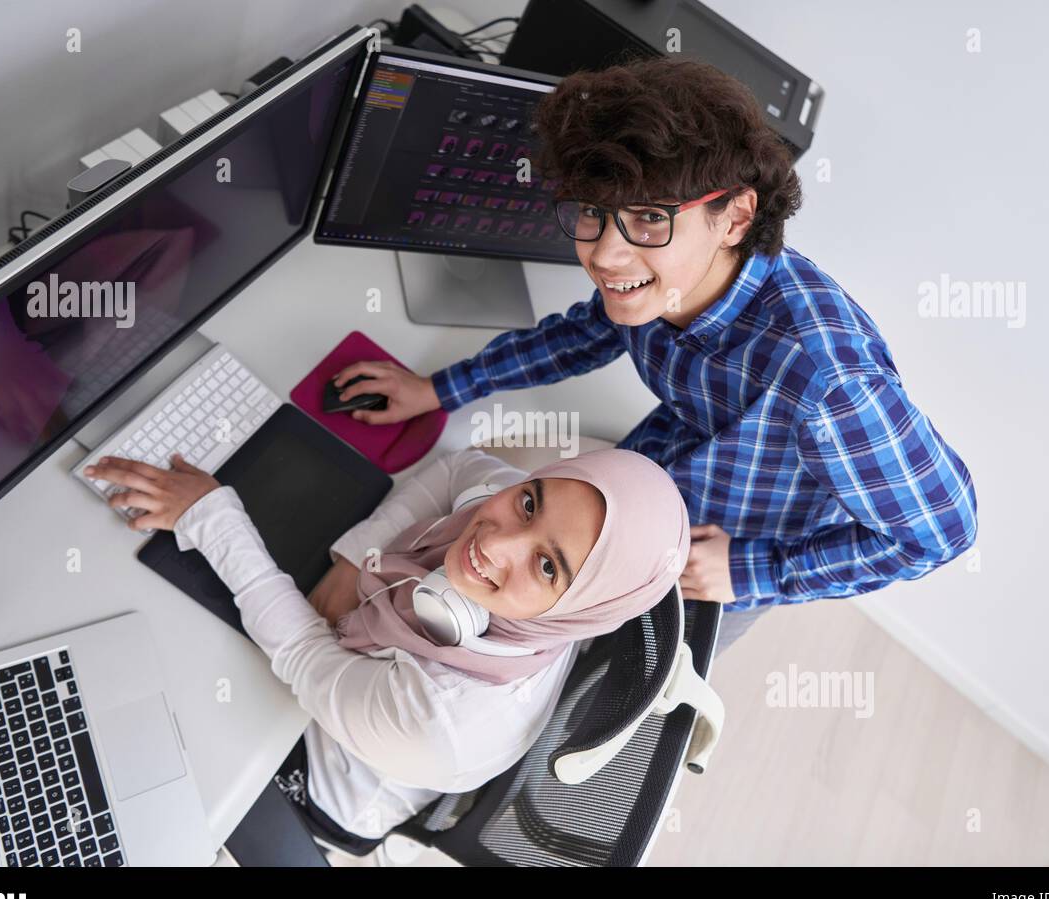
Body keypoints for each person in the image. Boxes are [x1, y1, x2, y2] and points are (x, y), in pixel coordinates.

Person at [327, 57, 979, 653]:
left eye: (647, 220)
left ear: (734, 218)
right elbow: (582, 334)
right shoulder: (662, 285)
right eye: (592, 212)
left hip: (718, 563)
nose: (604, 256)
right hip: (641, 495)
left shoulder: (827, 382)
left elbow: (942, 531)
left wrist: (752, 570)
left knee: (598, 690)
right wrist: (439, 389)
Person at [82, 444, 689, 841]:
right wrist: (351, 562)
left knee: (111, 707)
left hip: (323, 771)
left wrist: (211, 515)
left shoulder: (443, 720)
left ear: (580, 611)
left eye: (549, 568)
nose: (496, 543)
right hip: (348, 672)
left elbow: (301, 653)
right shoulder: (533, 512)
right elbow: (461, 467)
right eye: (529, 502)